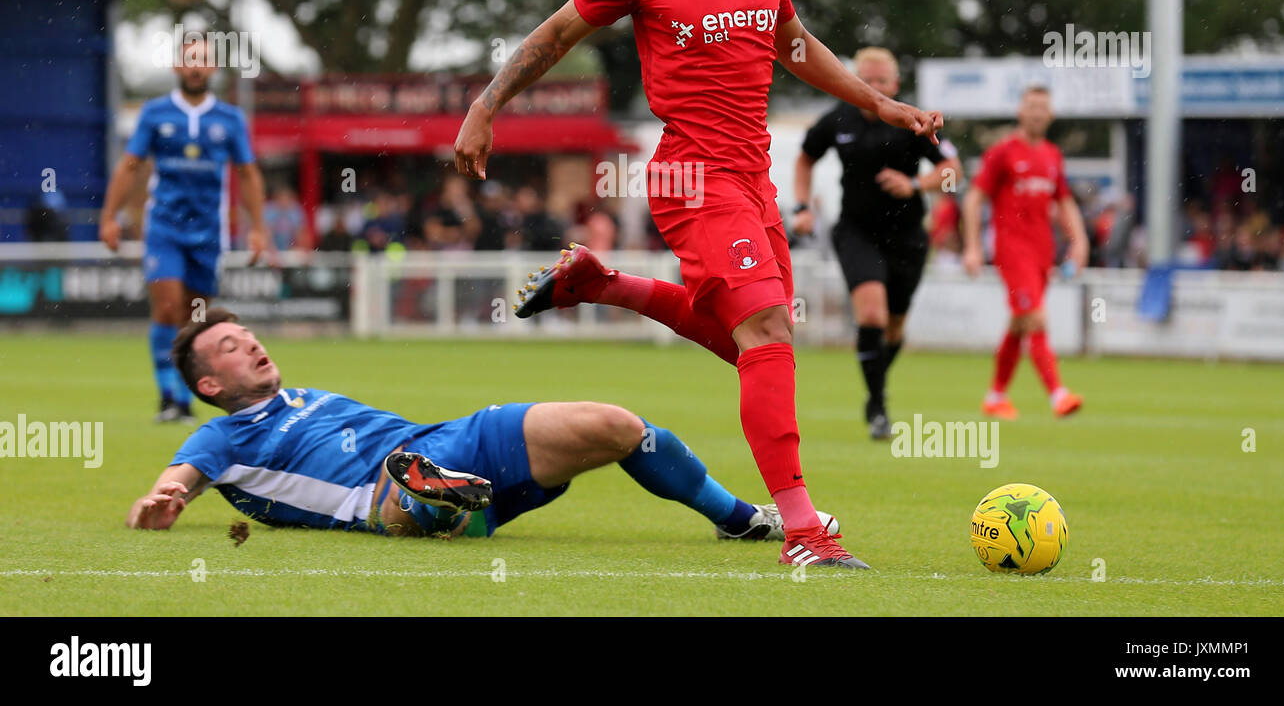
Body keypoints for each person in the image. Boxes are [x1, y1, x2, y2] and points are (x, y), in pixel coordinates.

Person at [453, 0, 942, 568]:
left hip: (753, 179)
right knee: (769, 329)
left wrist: (881, 105)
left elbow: (798, 47)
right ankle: (805, 530)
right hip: (692, 175)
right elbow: (557, 34)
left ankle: (602, 282)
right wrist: (486, 106)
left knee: (753, 344)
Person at [126, 310, 837, 552]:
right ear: (208, 386)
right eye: (229, 345)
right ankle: (437, 503)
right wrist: (164, 502)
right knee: (401, 492)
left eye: (247, 333)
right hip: (379, 498)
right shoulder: (222, 439)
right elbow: (173, 484)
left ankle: (740, 520)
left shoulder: (307, 395)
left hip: (455, 439)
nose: (250, 343)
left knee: (622, 427)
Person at [793, 47, 962, 439]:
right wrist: (802, 206)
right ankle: (877, 405)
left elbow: (953, 173)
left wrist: (915, 184)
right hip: (855, 231)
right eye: (865, 81)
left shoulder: (911, 121)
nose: (873, 88)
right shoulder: (836, 120)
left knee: (895, 327)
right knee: (872, 315)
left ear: (896, 84)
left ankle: (875, 388)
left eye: (881, 81)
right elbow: (804, 159)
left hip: (907, 236)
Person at [100, 38, 268, 424]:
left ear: (213, 68)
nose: (196, 68)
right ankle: (169, 397)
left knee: (195, 318)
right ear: (177, 66)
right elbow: (129, 165)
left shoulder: (229, 120)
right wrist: (110, 216)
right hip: (165, 228)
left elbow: (247, 173)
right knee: (167, 306)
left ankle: (187, 396)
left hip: (208, 233)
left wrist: (258, 228)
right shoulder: (156, 113)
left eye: (204, 61)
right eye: (190, 61)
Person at [961, 85, 1087, 420]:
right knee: (1036, 318)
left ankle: (995, 395)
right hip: (1012, 251)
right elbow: (974, 198)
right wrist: (973, 246)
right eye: (1030, 106)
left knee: (1020, 323)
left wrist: (1080, 242)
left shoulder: (1051, 155)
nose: (1035, 113)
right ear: (1020, 112)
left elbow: (1064, 202)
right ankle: (1058, 394)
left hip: (1042, 252)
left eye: (1041, 107)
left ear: (1050, 114)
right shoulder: (1002, 153)